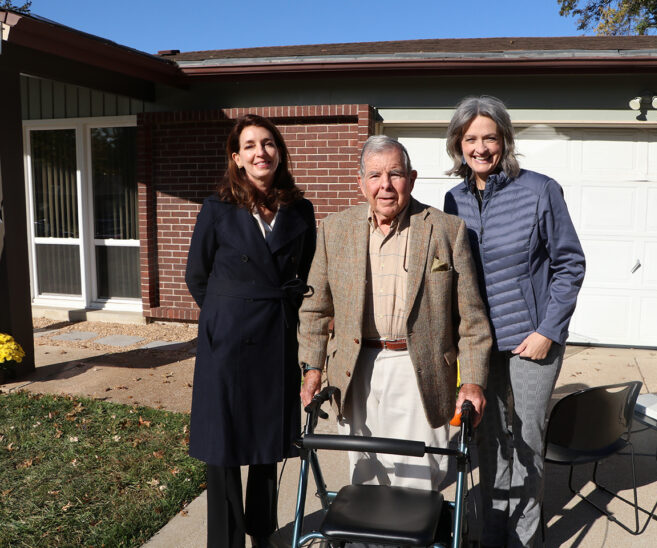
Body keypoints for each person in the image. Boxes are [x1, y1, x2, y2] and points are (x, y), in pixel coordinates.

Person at [298, 135, 491, 490]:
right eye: (374, 175)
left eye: (395, 174)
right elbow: (315, 309)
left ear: (411, 179)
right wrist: (312, 371)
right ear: (360, 183)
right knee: (365, 475)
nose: (385, 185)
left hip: (420, 369)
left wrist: (473, 382)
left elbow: (472, 320)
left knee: (418, 478)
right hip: (356, 369)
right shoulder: (334, 230)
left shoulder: (447, 230)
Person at [443, 96, 586, 547]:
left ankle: (524, 538)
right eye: (470, 139)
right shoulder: (454, 198)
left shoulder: (540, 190)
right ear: (458, 144)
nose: (480, 147)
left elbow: (570, 265)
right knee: (487, 440)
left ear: (505, 140)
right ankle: (491, 532)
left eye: (490, 137)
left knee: (526, 440)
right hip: (481, 344)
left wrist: (548, 331)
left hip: (531, 342)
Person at [185, 114, 315, 548]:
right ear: (237, 158)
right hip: (226, 341)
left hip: (276, 335)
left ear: (279, 152)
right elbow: (196, 275)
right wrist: (224, 316)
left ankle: (262, 535)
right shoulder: (217, 208)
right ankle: (225, 542)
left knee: (266, 446)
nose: (261, 152)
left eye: (268, 143)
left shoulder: (300, 209)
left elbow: (306, 271)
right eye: (250, 145)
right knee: (222, 447)